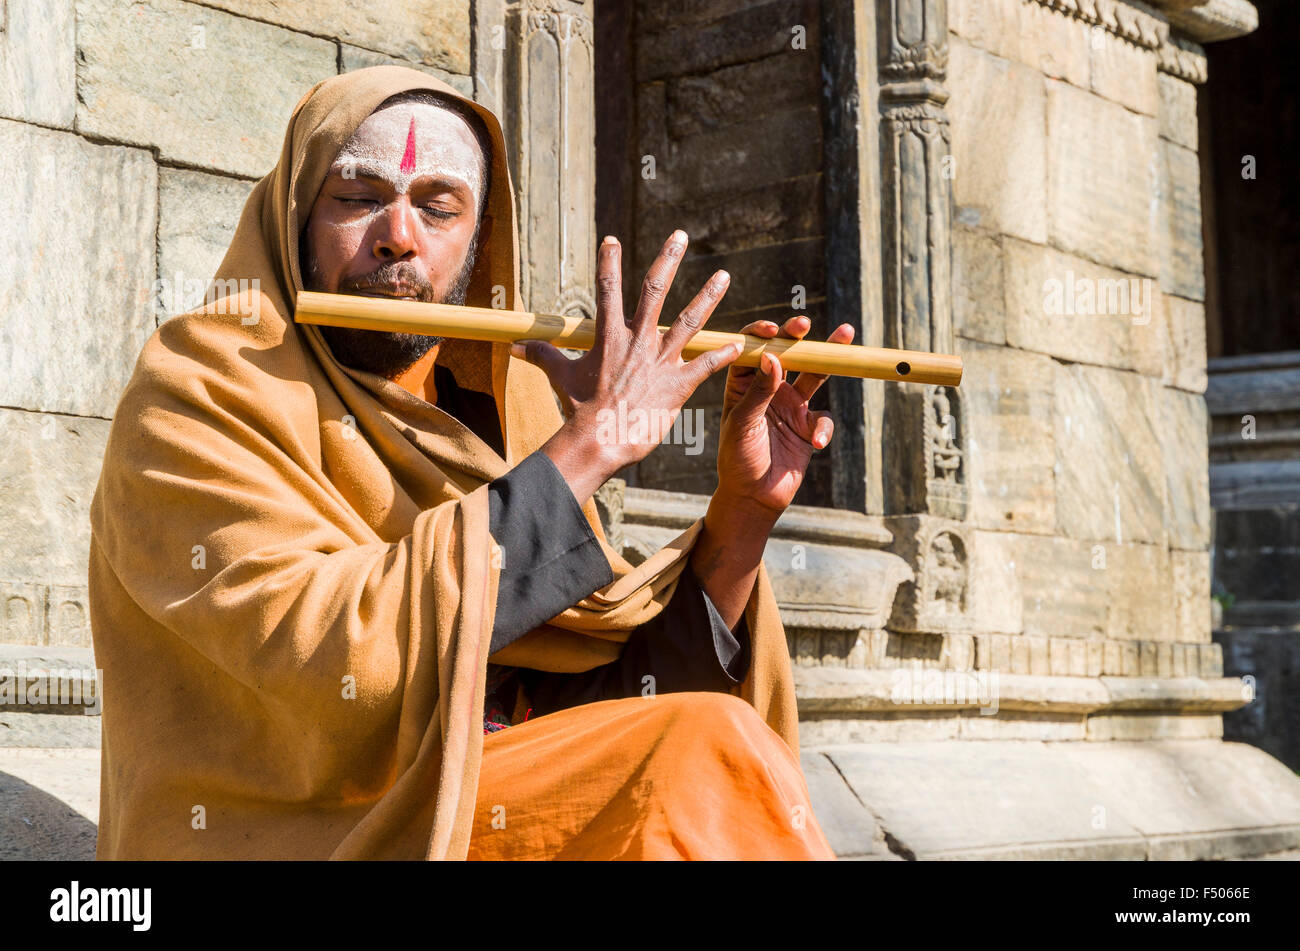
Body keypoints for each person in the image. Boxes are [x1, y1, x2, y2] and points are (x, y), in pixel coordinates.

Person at [89, 65, 852, 860]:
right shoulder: (201, 387)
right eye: (357, 198)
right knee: (702, 749)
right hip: (315, 831)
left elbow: (599, 698)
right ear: (296, 219)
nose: (398, 236)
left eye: (438, 207)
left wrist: (745, 508)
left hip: (488, 811)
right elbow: (321, 661)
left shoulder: (508, 406)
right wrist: (587, 448)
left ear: (479, 243)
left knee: (703, 744)